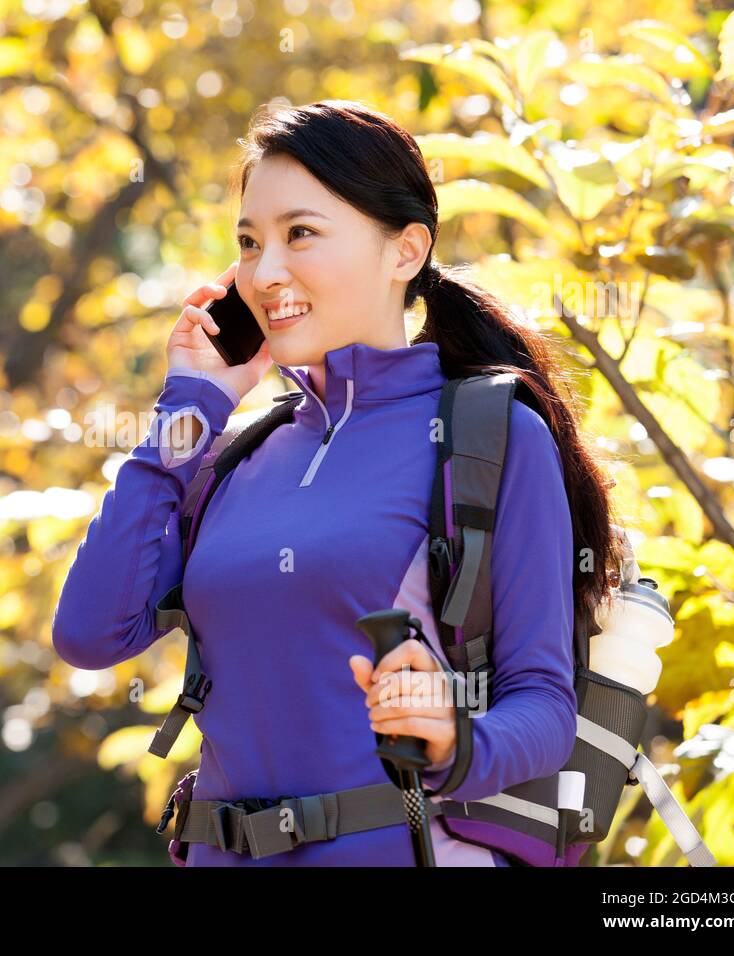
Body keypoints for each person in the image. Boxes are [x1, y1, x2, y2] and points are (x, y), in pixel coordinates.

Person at [52, 100, 621, 866]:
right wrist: (189, 407)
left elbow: (544, 708)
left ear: (405, 251)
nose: (265, 273)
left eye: (301, 234)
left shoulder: (485, 437)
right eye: (248, 244)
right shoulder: (234, 458)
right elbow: (89, 634)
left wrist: (454, 737)